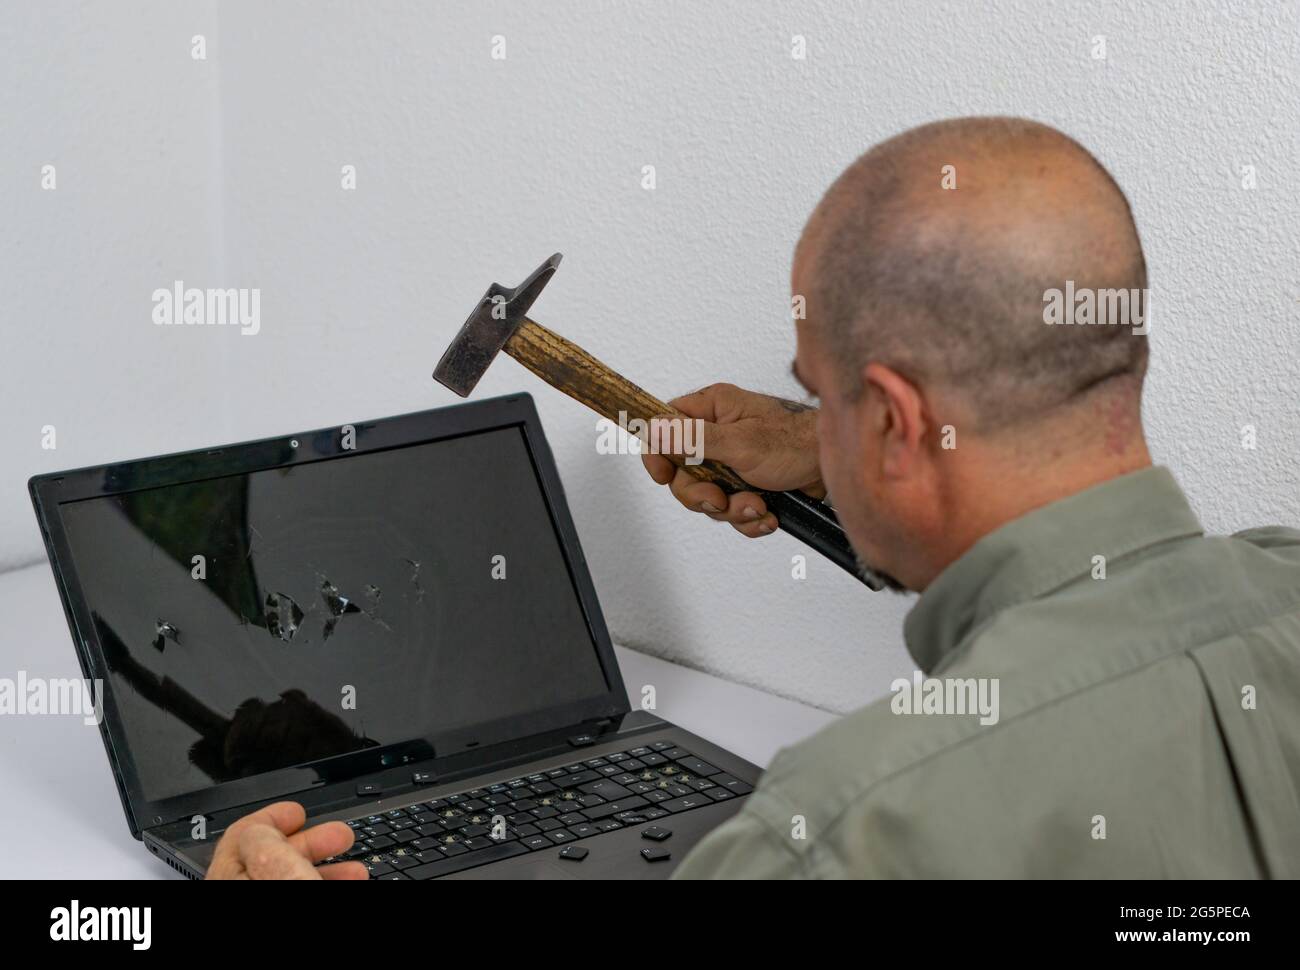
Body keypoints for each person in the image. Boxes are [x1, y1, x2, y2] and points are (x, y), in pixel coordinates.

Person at [207, 117, 1300, 879]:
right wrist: (832, 463)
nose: (804, 423)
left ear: (892, 419)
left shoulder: (838, 829)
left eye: (815, 398)